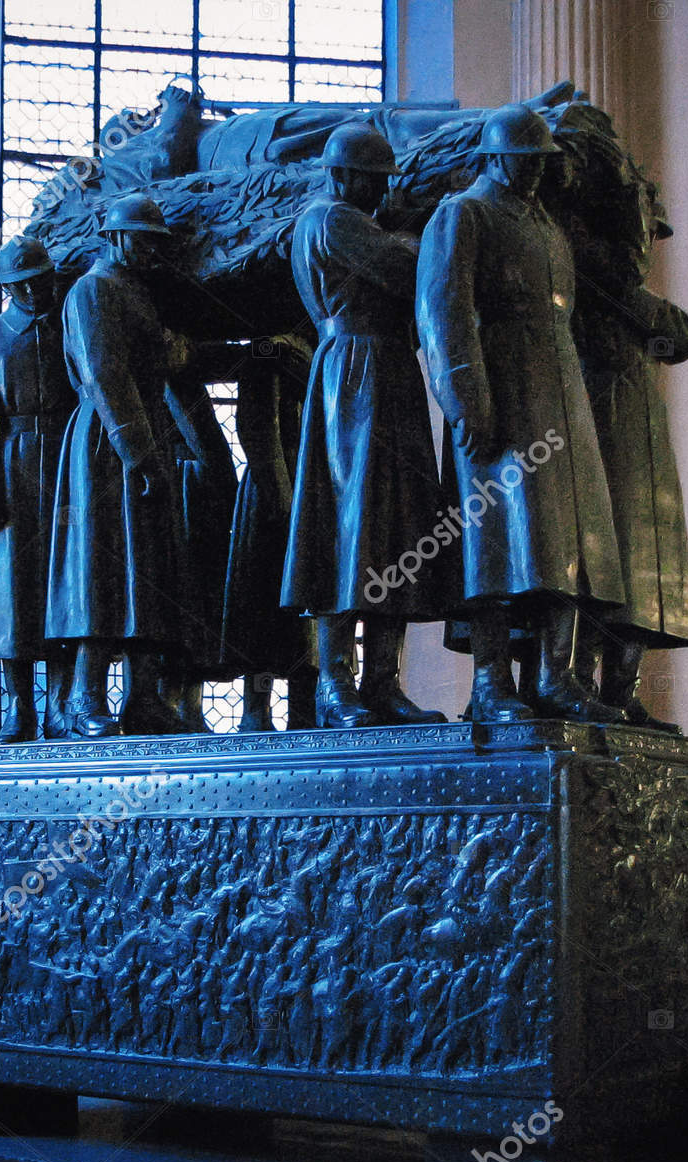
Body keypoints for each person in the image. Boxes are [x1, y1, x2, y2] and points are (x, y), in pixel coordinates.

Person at [417, 103, 625, 724]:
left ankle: (555, 677)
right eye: (526, 161)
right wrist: (465, 402)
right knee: (497, 540)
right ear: (496, 158)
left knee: (568, 537)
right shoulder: (464, 213)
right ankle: (490, 682)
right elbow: (443, 313)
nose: (536, 172)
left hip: (559, 389)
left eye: (541, 162)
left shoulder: (545, 224)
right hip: (502, 391)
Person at [283, 123, 450, 727]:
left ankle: (382, 681)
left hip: (384, 368)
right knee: (350, 524)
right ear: (343, 175)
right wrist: (412, 228)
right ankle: (337, 684)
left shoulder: (343, 218)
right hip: (357, 371)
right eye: (374, 181)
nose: (382, 191)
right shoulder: (332, 219)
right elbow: (407, 271)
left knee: (396, 524)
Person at [47, 194, 193, 736]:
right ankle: (85, 698)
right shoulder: (93, 289)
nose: (152, 250)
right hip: (107, 442)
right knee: (100, 565)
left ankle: (143, 697)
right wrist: (138, 452)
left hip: (143, 435)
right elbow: (104, 375)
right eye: (143, 239)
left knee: (145, 568)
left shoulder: (135, 291)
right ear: (114, 236)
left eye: (157, 242)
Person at [572, 183, 688, 731]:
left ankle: (623, 691)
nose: (647, 242)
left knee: (648, 567)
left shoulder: (626, 291)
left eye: (652, 232)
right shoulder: (584, 277)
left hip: (643, 440)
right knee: (597, 563)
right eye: (644, 228)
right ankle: (577, 682)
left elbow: (681, 337)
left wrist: (628, 293)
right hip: (597, 431)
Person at [0, 236, 76, 742]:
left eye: (39, 280)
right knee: (12, 590)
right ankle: (19, 707)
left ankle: (63, 705)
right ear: (6, 287)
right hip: (12, 466)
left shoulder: (71, 327)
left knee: (66, 583)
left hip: (69, 461)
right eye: (19, 284)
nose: (31, 292)